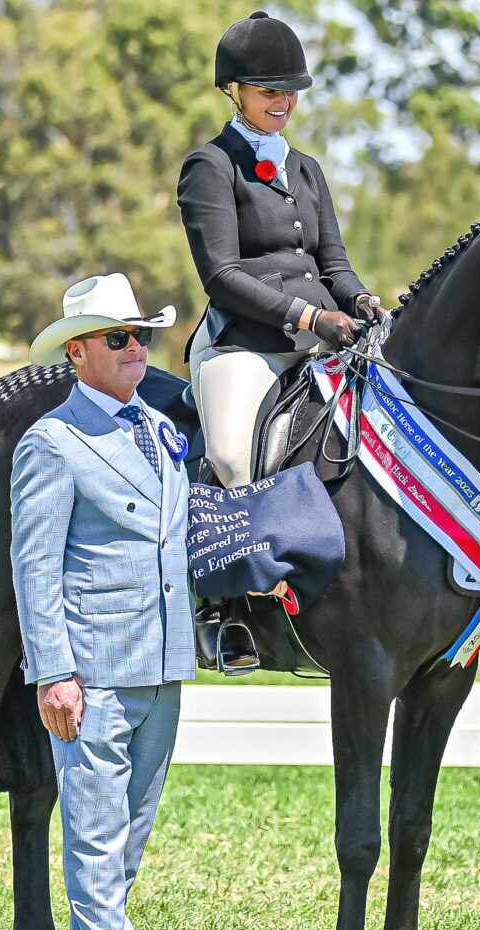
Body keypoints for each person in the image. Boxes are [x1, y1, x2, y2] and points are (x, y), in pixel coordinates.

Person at [14, 273, 196, 930]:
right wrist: (54, 670)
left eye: (142, 334)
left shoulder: (156, 429)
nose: (136, 349)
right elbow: (34, 565)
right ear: (79, 352)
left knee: (128, 841)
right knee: (93, 833)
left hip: (163, 663)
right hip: (90, 670)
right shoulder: (51, 442)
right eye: (120, 337)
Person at [178, 10, 383, 671]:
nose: (284, 103)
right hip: (244, 345)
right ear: (233, 91)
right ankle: (223, 611)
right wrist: (306, 316)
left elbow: (334, 262)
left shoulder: (308, 169)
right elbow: (222, 276)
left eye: (291, 92)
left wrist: (359, 302)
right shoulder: (209, 167)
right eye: (270, 92)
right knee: (235, 457)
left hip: (322, 340)